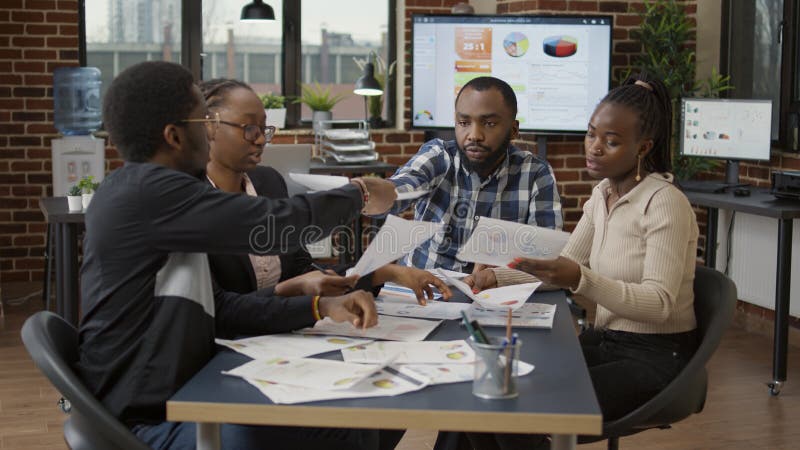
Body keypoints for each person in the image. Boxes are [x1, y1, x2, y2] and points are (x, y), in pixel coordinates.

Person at [76, 61, 400, 450]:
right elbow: (273, 226)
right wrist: (360, 193)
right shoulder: (150, 193)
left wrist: (318, 306)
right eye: (203, 122)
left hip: (184, 388)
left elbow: (221, 308)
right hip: (150, 417)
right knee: (349, 428)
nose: (210, 131)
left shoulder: (150, 191)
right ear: (175, 136)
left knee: (366, 418)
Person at [463, 72, 700, 450]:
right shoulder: (602, 195)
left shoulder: (664, 203)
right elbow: (562, 267)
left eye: (611, 142)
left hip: (655, 358)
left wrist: (581, 279)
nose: (594, 148)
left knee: (508, 402)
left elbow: (660, 304)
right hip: (606, 342)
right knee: (485, 388)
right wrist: (495, 277)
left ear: (643, 147)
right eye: (591, 134)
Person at [199, 78, 451, 303]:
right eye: (249, 128)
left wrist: (390, 273)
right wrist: (292, 293)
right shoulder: (190, 202)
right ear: (209, 126)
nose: (261, 139)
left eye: (264, 129)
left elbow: (303, 271)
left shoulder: (268, 182)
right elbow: (222, 310)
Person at [386, 76, 562, 274]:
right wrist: (374, 193)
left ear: (513, 130)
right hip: (425, 291)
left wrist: (501, 272)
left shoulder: (535, 173)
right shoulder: (438, 156)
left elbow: (546, 256)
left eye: (488, 124)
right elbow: (401, 188)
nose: (474, 135)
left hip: (494, 294)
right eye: (463, 122)